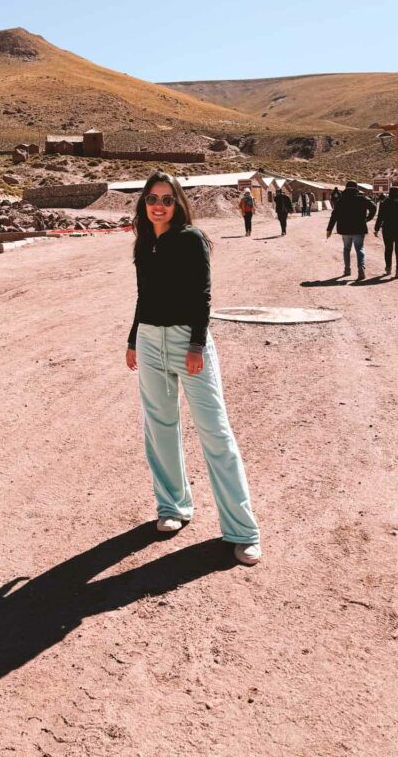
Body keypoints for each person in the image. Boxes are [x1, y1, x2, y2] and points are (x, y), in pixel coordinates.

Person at [125, 172, 261, 566]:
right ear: (144, 203)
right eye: (152, 198)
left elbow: (202, 293)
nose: (159, 205)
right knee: (160, 426)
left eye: (167, 199)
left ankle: (243, 531)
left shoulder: (191, 238)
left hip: (187, 341)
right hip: (150, 340)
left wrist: (197, 343)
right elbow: (143, 295)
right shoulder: (144, 242)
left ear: (178, 204)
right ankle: (173, 506)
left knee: (214, 431)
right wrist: (134, 339)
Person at [326, 180, 377, 280]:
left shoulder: (341, 200)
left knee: (346, 249)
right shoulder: (362, 198)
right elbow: (374, 207)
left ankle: (347, 270)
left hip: (345, 230)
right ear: (356, 188)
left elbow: (334, 215)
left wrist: (329, 229)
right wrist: (368, 218)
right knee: (359, 248)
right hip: (359, 228)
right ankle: (361, 269)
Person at [374, 185, 398, 278]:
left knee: (388, 249)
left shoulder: (384, 202)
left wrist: (376, 229)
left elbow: (380, 217)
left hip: (388, 229)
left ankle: (388, 269)